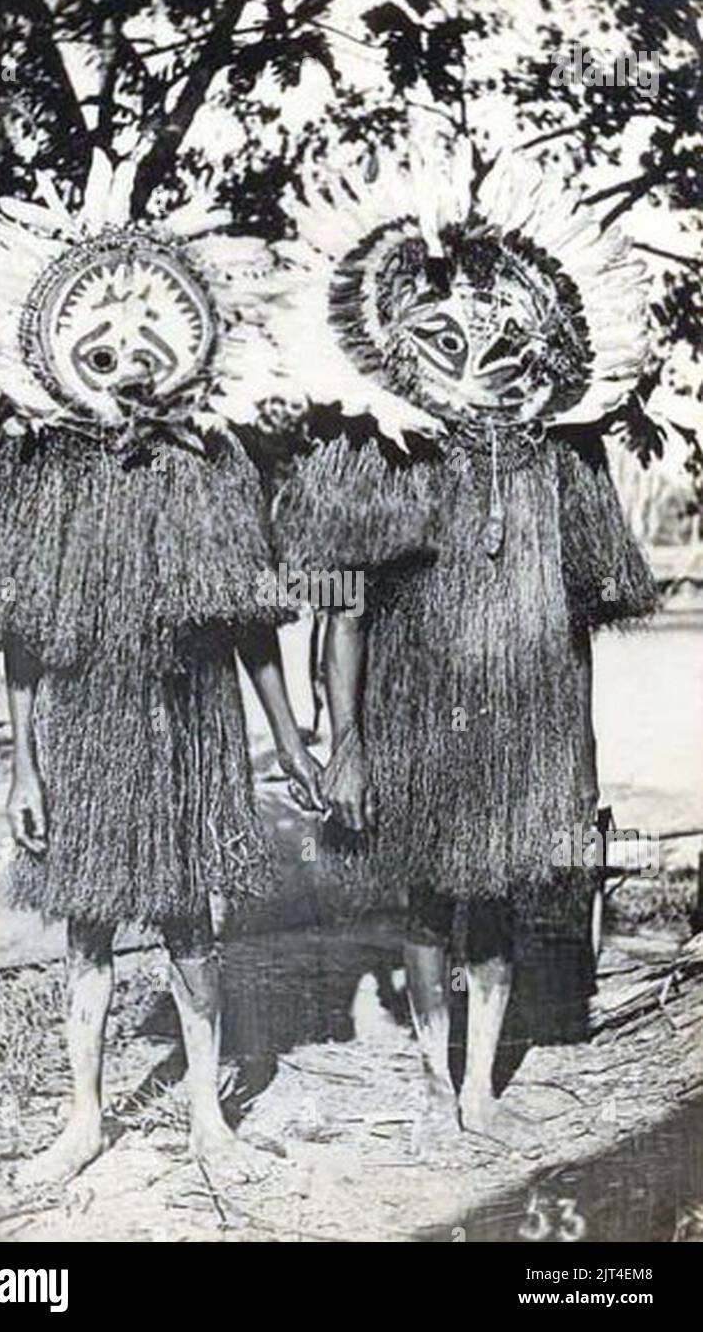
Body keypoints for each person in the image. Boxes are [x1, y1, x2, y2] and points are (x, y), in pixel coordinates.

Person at [269, 137, 658, 1149]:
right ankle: (436, 1061)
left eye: (501, 328)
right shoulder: (381, 449)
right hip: (412, 712)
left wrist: (568, 762)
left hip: (517, 726)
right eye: (447, 331)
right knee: (426, 901)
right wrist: (345, 738)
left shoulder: (562, 462)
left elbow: (579, 616)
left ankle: (475, 1082)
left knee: (492, 904)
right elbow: (342, 607)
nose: (480, 349)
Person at [0, 152, 323, 1184]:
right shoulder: (42, 470)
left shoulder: (213, 463)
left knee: (193, 928)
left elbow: (252, 623)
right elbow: (25, 636)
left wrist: (288, 743)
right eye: (100, 342)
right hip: (86, 726)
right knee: (87, 931)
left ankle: (209, 1117)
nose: (127, 360)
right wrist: (24, 766)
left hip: (193, 726)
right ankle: (84, 1116)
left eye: (147, 339)